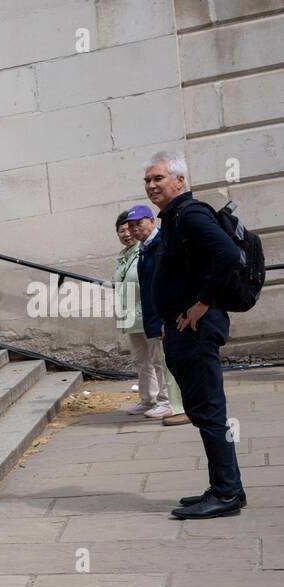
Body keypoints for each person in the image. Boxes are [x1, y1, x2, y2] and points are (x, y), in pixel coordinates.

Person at [145, 151, 245, 519]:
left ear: (179, 181)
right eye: (148, 180)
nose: (151, 185)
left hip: (198, 329)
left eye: (158, 178)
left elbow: (229, 255)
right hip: (184, 329)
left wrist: (202, 303)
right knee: (206, 411)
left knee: (209, 411)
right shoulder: (175, 219)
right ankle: (228, 485)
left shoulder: (191, 215)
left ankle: (225, 493)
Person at [131, 206, 189, 426]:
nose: (135, 230)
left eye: (139, 224)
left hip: (164, 316)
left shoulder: (160, 243)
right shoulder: (145, 248)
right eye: (132, 226)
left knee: (169, 363)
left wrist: (166, 317)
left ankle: (177, 406)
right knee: (162, 362)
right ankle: (175, 405)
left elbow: (166, 282)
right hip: (155, 316)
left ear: (151, 221)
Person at [113, 206, 170, 419]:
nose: (127, 233)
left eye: (131, 228)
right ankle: (148, 399)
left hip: (148, 314)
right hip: (131, 317)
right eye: (122, 230)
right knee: (141, 360)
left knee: (158, 359)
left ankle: (165, 400)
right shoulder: (123, 256)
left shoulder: (145, 250)